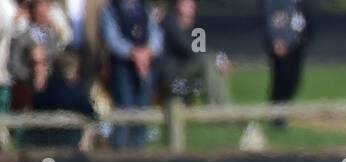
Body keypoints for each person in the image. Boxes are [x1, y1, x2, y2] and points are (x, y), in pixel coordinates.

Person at [101, 0, 161, 148]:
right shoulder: (110, 10)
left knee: (143, 108)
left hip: (146, 66)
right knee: (125, 107)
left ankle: (139, 150)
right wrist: (134, 53)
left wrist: (148, 53)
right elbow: (112, 40)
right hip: (122, 67)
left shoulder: (146, 8)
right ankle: (120, 151)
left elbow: (156, 35)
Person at [160, 0, 230, 104]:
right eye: (187, 3)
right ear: (178, 5)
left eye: (192, 4)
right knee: (206, 61)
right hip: (173, 81)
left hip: (188, 77)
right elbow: (188, 47)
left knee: (215, 67)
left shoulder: (192, 24)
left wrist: (220, 59)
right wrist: (217, 58)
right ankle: (217, 108)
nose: (192, 7)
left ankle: (225, 108)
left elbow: (203, 48)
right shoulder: (170, 22)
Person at [26, 46, 94, 147]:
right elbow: (90, 114)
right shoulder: (75, 94)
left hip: (45, 145)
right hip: (68, 143)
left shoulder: (44, 93)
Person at [262, 0, 313, 114]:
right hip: (282, 44)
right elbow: (273, 16)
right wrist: (277, 39)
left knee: (293, 79)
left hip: (296, 43)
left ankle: (285, 109)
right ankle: (277, 114)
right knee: (282, 79)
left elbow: (301, 15)